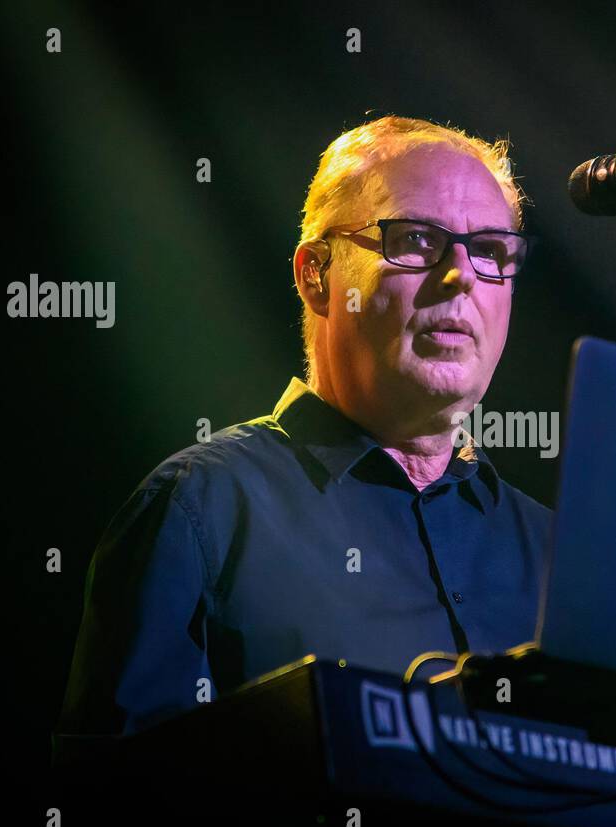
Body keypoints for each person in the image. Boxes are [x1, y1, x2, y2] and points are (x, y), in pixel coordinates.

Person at [56, 116, 550, 738]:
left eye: (489, 249)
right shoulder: (200, 512)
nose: (462, 275)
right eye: (418, 240)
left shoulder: (557, 557)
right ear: (316, 275)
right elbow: (119, 810)